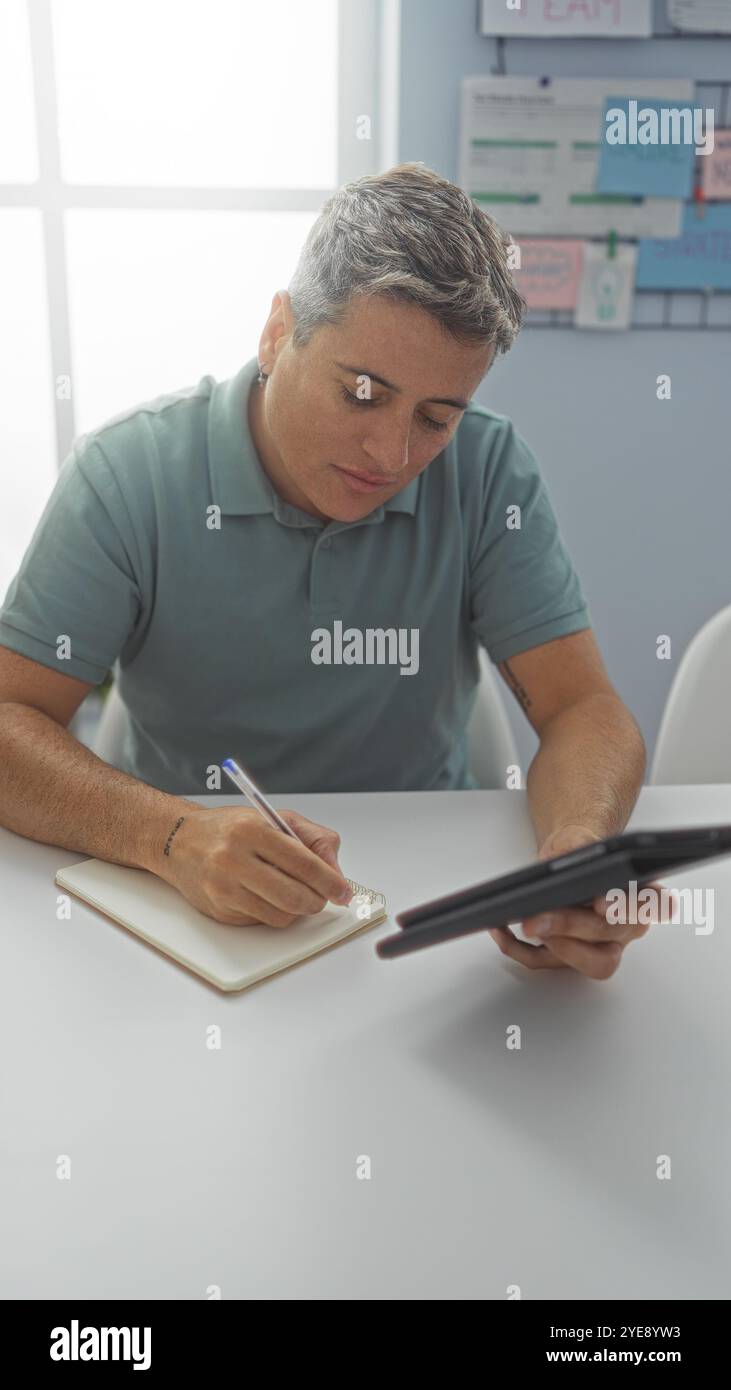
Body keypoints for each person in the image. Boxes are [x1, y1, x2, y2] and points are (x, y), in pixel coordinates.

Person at [0, 163, 652, 979]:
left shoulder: (488, 469)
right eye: (361, 392)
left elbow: (583, 707)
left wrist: (579, 852)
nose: (393, 454)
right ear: (278, 331)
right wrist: (168, 835)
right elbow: (8, 719)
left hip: (424, 894)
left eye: (435, 418)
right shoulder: (127, 473)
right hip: (177, 892)